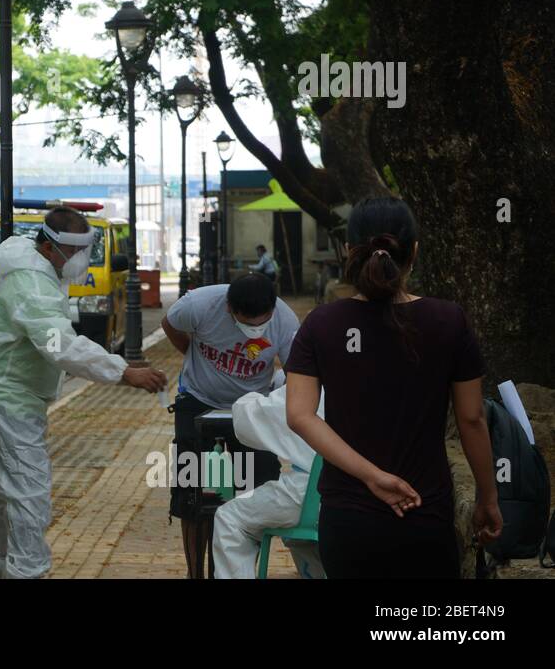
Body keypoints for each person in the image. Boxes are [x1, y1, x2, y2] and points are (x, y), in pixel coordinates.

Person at [285, 196, 502, 579]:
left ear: (349, 251)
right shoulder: (448, 321)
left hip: (347, 517)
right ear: (414, 251)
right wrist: (489, 498)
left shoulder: (321, 324)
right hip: (426, 512)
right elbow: (471, 419)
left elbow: (300, 416)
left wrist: (371, 476)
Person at [0, 206, 167, 579]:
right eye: (77, 252)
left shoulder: (38, 273)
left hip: (1, 389)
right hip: (6, 394)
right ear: (52, 248)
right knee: (28, 489)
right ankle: (26, 570)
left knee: (5, 488)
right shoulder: (32, 285)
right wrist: (123, 371)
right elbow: (61, 344)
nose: (81, 261)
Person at [160, 273, 300, 577]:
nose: (253, 330)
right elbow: (169, 324)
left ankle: (240, 570)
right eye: (245, 322)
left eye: (259, 323)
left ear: (273, 310)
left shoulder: (286, 322)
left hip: (252, 408)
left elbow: (298, 374)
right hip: (199, 401)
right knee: (196, 492)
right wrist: (190, 354)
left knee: (258, 487)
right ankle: (195, 572)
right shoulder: (199, 305)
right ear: (228, 309)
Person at [212, 381, 326, 579]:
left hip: (310, 494)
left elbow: (248, 421)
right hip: (367, 495)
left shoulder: (309, 386)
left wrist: (254, 395)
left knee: (229, 518)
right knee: (298, 537)